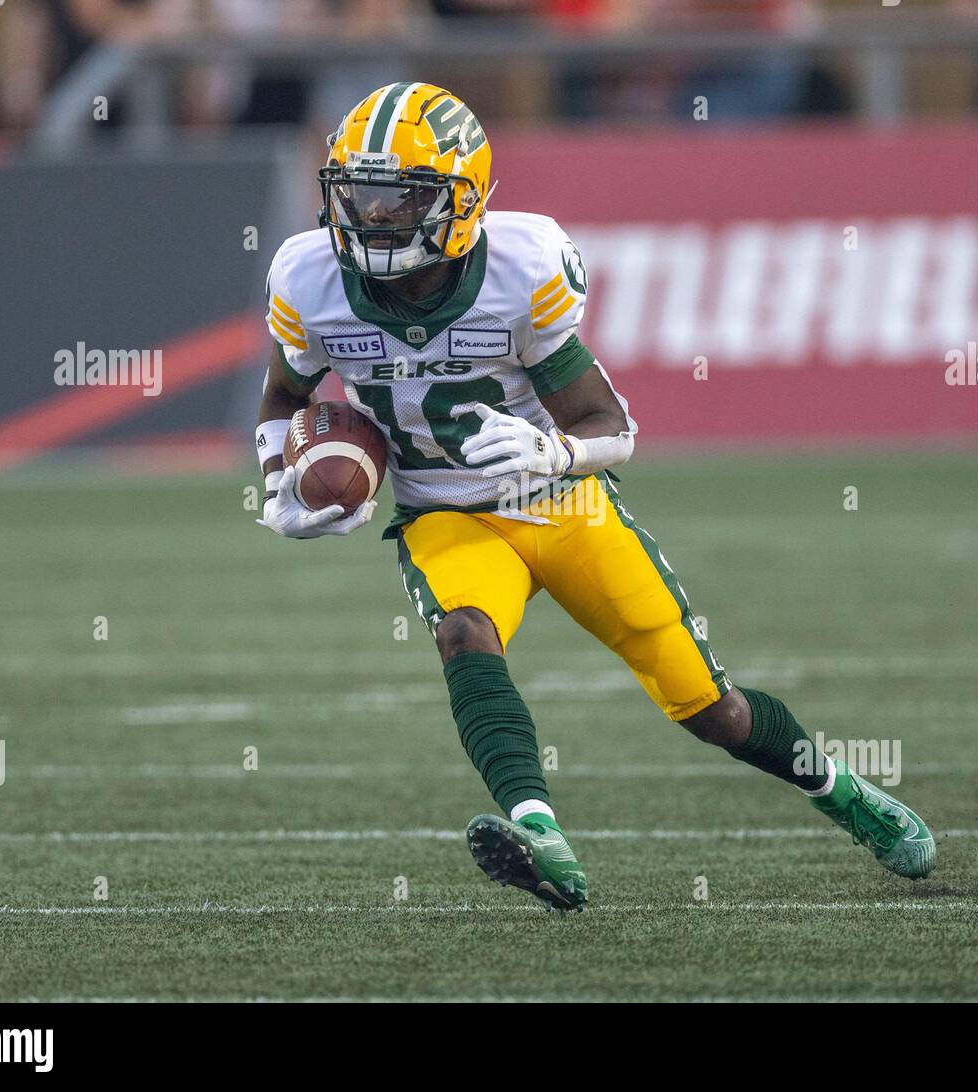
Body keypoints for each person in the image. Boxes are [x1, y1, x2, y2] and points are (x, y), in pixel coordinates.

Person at [253, 82, 936, 912]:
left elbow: (613, 426)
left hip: (564, 505)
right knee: (465, 634)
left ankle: (841, 794)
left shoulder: (518, 268)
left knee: (708, 708)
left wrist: (554, 448)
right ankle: (540, 834)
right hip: (443, 511)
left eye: (401, 198)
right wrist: (279, 484)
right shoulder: (311, 279)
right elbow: (283, 400)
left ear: (460, 200)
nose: (374, 216)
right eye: (359, 194)